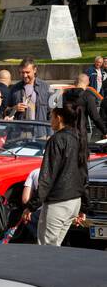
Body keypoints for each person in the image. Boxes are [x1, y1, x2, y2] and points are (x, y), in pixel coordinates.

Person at [24, 103, 87, 246]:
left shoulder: (57, 139)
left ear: (58, 118)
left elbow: (47, 176)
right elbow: (83, 175)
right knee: (55, 248)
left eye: (51, 117)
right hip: (74, 202)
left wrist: (32, 206)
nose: (50, 120)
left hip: (58, 202)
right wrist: (84, 206)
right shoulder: (79, 138)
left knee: (47, 249)